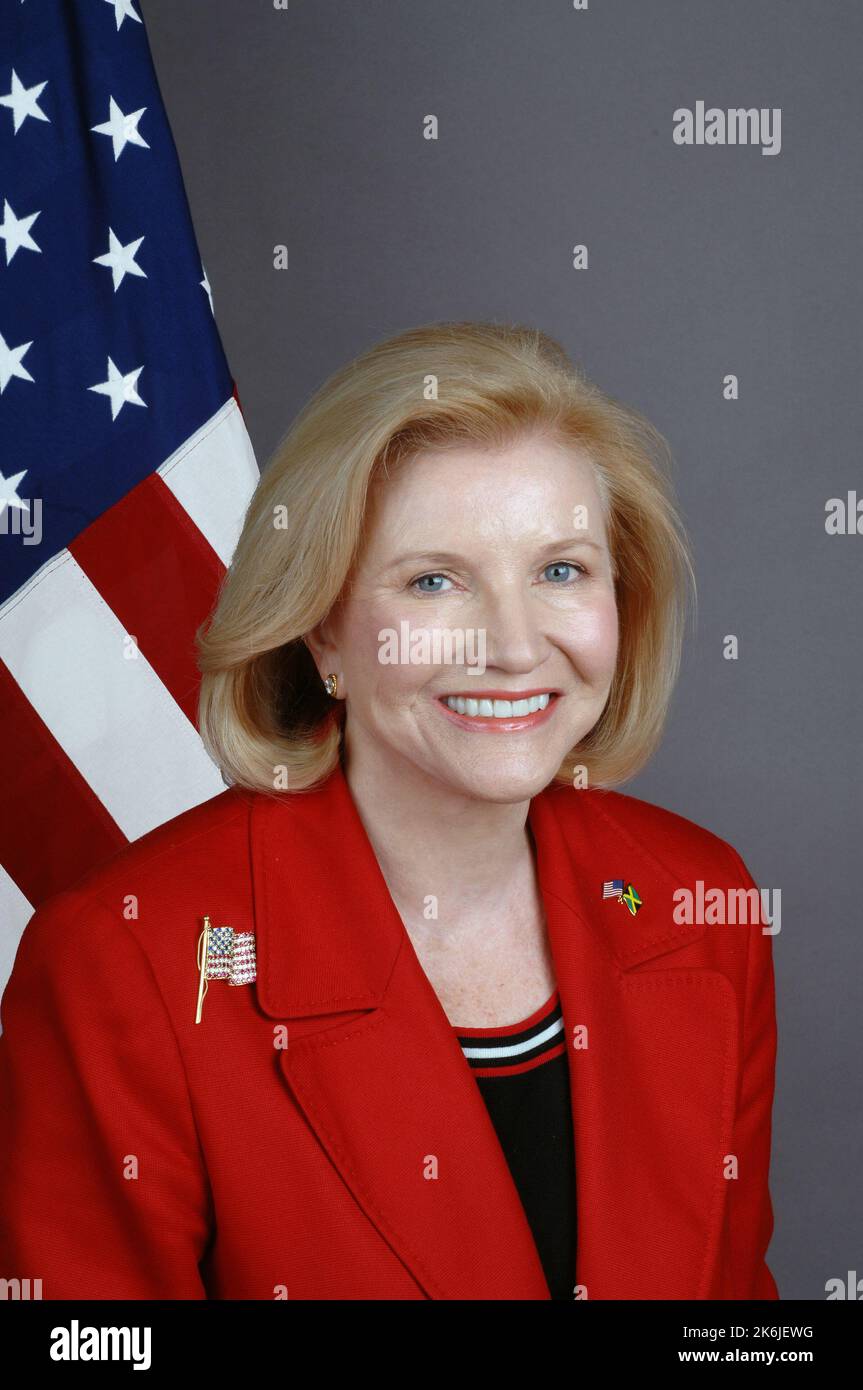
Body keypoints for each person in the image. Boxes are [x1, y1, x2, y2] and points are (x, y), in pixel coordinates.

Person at [0, 321, 779, 1300]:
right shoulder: (127, 962)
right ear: (322, 631)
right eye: (433, 580)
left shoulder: (700, 903)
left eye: (559, 570)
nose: (510, 644)